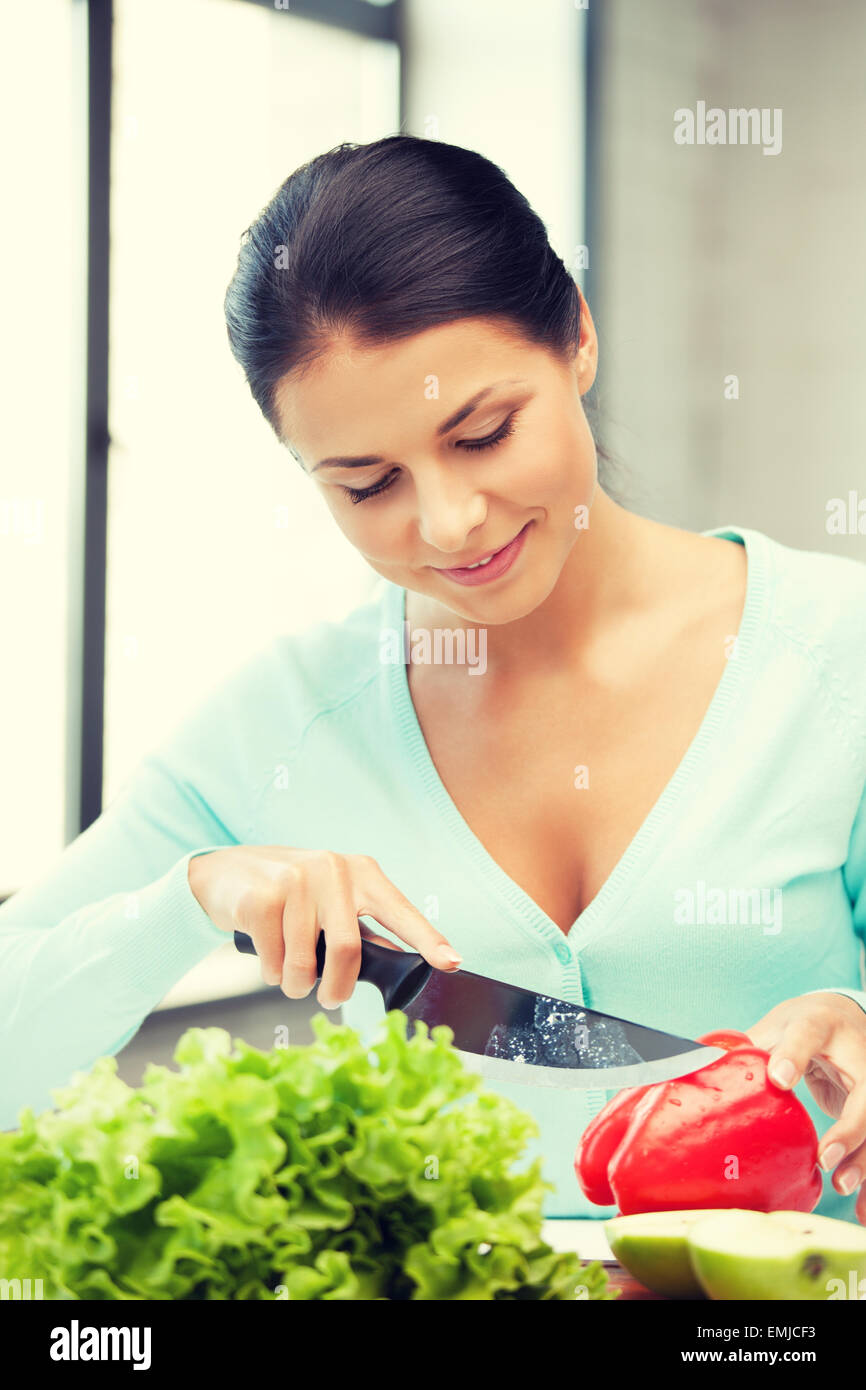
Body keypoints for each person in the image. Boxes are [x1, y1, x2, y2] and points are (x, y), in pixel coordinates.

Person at [2, 135, 865, 1226]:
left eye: (483, 432)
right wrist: (187, 899)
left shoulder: (838, 658)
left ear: (578, 340)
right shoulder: (284, 718)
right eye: (367, 485)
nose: (448, 523)